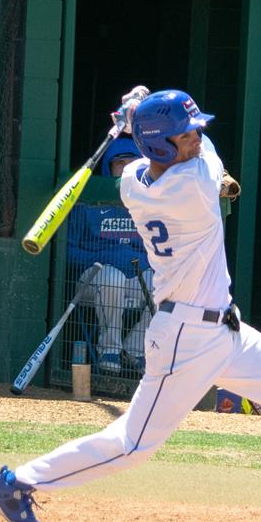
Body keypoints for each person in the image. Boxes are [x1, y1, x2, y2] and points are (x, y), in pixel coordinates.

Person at [0, 90, 261, 522]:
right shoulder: (195, 181)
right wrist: (141, 109)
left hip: (223, 330)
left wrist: (138, 112)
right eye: (187, 133)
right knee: (133, 445)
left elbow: (153, 147)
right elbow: (199, 154)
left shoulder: (132, 180)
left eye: (195, 130)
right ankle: (17, 483)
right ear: (160, 146)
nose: (198, 137)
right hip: (186, 339)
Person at [65, 136, 153, 373]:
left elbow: (159, 252)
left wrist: (141, 261)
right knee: (112, 277)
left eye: (131, 164)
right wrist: (105, 259)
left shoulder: (148, 204)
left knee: (168, 285)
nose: (125, 169)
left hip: (135, 279)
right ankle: (110, 350)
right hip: (93, 281)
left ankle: (133, 350)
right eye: (119, 164)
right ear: (109, 167)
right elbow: (68, 252)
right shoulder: (87, 201)